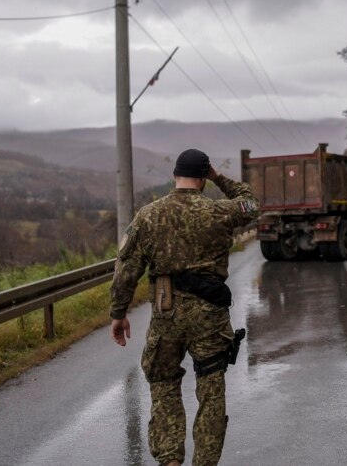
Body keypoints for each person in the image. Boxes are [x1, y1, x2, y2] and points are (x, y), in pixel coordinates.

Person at [109, 148, 259, 466]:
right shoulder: (220, 212)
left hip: (166, 313)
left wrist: (119, 313)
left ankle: (170, 460)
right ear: (204, 179)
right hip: (210, 316)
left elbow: (126, 268)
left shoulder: (149, 216)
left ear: (175, 175)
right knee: (211, 386)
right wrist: (220, 178)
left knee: (163, 381)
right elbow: (251, 203)